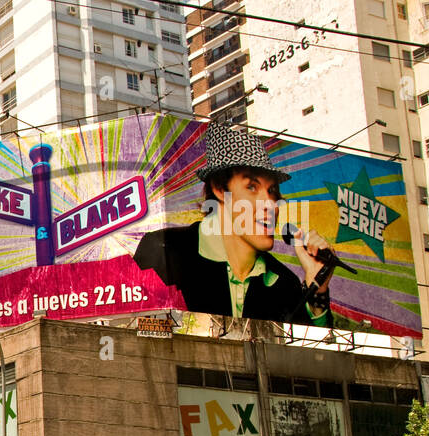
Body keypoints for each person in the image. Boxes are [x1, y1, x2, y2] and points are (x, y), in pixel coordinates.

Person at [134, 123, 334, 326]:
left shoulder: (284, 282)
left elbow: (313, 353)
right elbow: (139, 332)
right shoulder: (164, 249)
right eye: (252, 187)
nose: (270, 204)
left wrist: (317, 291)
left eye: (272, 190)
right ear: (220, 189)